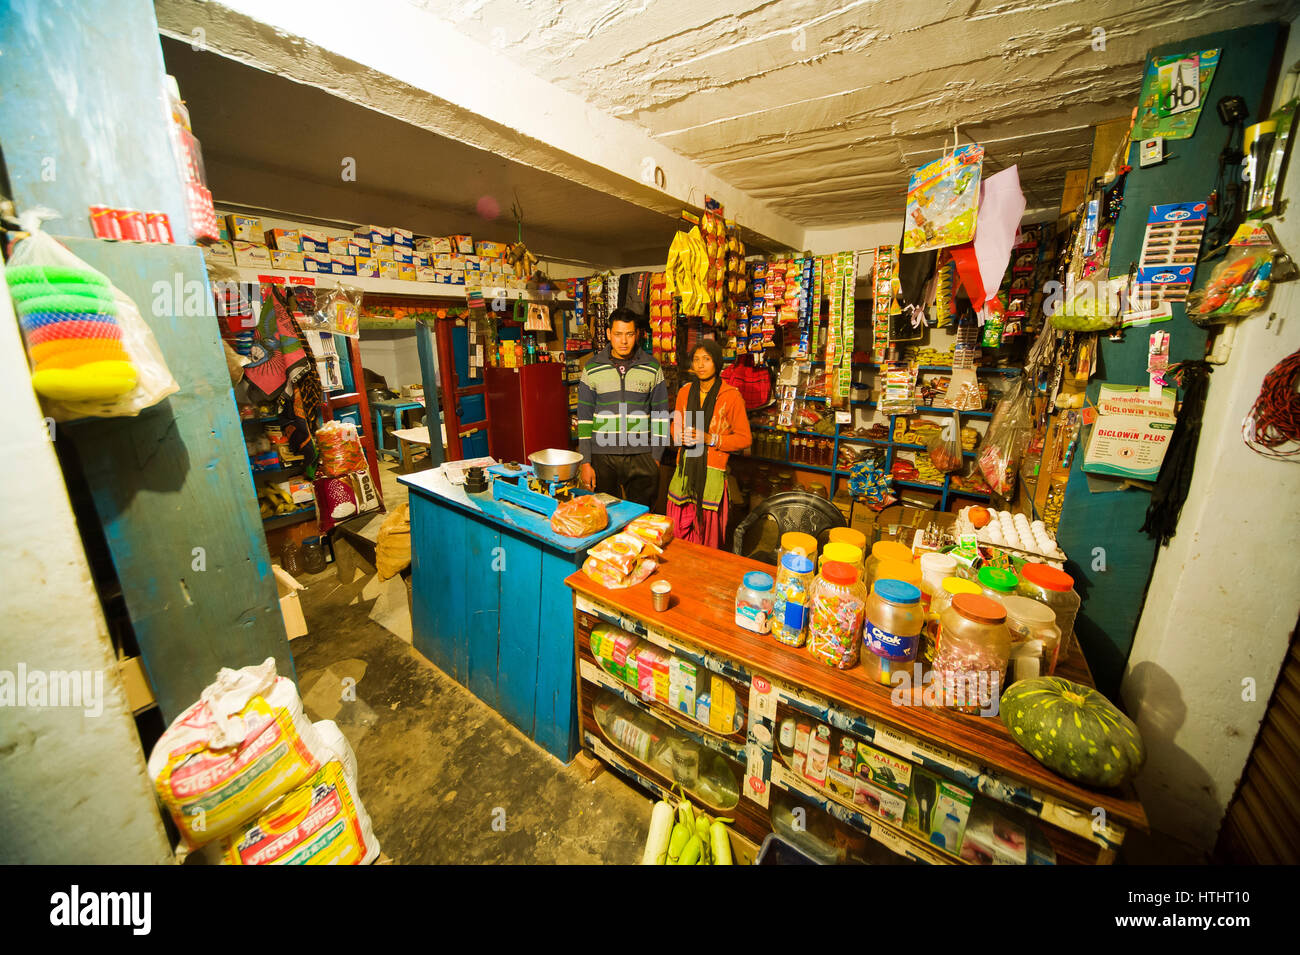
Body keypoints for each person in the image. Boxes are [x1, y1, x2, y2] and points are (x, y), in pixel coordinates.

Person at [576, 309, 670, 507]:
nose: (624, 341)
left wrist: (656, 458)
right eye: (618, 334)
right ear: (609, 333)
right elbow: (584, 418)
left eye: (629, 334)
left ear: (637, 334)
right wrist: (586, 462)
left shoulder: (652, 367)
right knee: (604, 514)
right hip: (602, 456)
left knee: (642, 515)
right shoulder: (592, 368)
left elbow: (661, 415)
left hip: (641, 455)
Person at [667, 339, 751, 548]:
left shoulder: (731, 396)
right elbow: (675, 425)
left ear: (717, 362)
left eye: (706, 359)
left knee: (707, 535)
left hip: (712, 472)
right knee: (677, 527)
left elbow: (744, 439)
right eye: (696, 360)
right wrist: (679, 435)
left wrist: (711, 439)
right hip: (685, 468)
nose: (701, 365)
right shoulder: (685, 392)